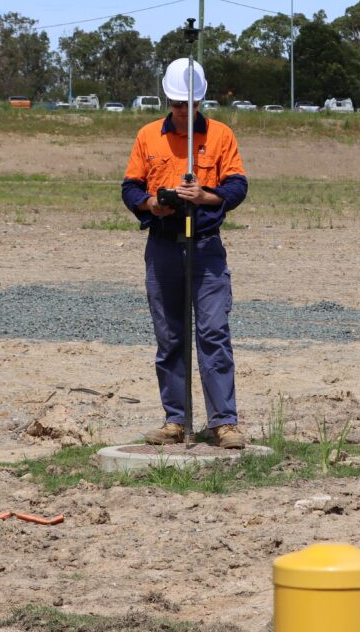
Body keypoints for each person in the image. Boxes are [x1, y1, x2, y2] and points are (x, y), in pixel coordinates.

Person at [121, 58, 249, 450]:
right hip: (162, 247)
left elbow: (238, 187)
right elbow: (129, 188)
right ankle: (175, 421)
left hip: (206, 250)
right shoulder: (148, 136)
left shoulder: (221, 135)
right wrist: (149, 205)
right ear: (167, 97)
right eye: (176, 102)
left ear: (200, 100)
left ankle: (223, 423)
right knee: (171, 337)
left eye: (189, 103)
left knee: (213, 333)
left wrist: (205, 197)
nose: (182, 109)